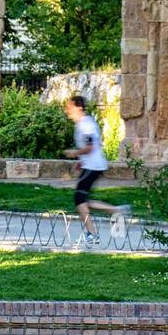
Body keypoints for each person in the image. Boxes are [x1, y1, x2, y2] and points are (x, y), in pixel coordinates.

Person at [63, 96, 130, 242]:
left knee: (79, 199)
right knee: (82, 200)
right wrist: (81, 160)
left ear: (79, 108)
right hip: (92, 165)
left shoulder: (85, 125)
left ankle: (92, 234)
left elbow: (90, 146)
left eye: (70, 107)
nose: (67, 110)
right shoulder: (85, 123)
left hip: (93, 166)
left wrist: (75, 153)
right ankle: (116, 210)